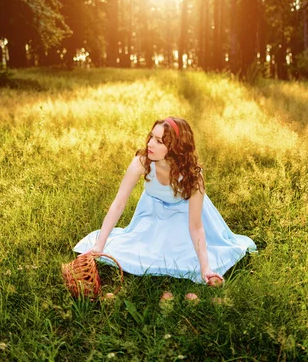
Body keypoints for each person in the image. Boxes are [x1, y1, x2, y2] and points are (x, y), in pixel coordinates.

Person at [73, 117, 256, 284]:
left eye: (159, 141)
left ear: (176, 148)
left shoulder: (193, 176)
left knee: (182, 255)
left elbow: (195, 226)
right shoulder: (142, 162)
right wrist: (100, 244)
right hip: (152, 212)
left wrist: (205, 267)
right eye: (151, 137)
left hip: (183, 214)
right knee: (137, 249)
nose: (150, 143)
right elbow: (119, 204)